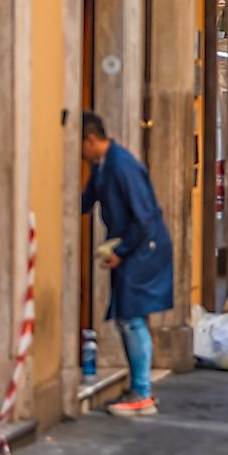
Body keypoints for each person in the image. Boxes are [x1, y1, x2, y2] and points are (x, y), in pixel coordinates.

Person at [80, 112, 174, 418]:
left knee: (131, 317)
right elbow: (87, 199)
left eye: (80, 145)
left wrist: (121, 250)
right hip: (137, 245)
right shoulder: (103, 166)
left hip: (143, 247)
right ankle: (140, 387)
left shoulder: (122, 167)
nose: (79, 154)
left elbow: (144, 216)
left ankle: (142, 394)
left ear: (91, 140)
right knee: (129, 316)